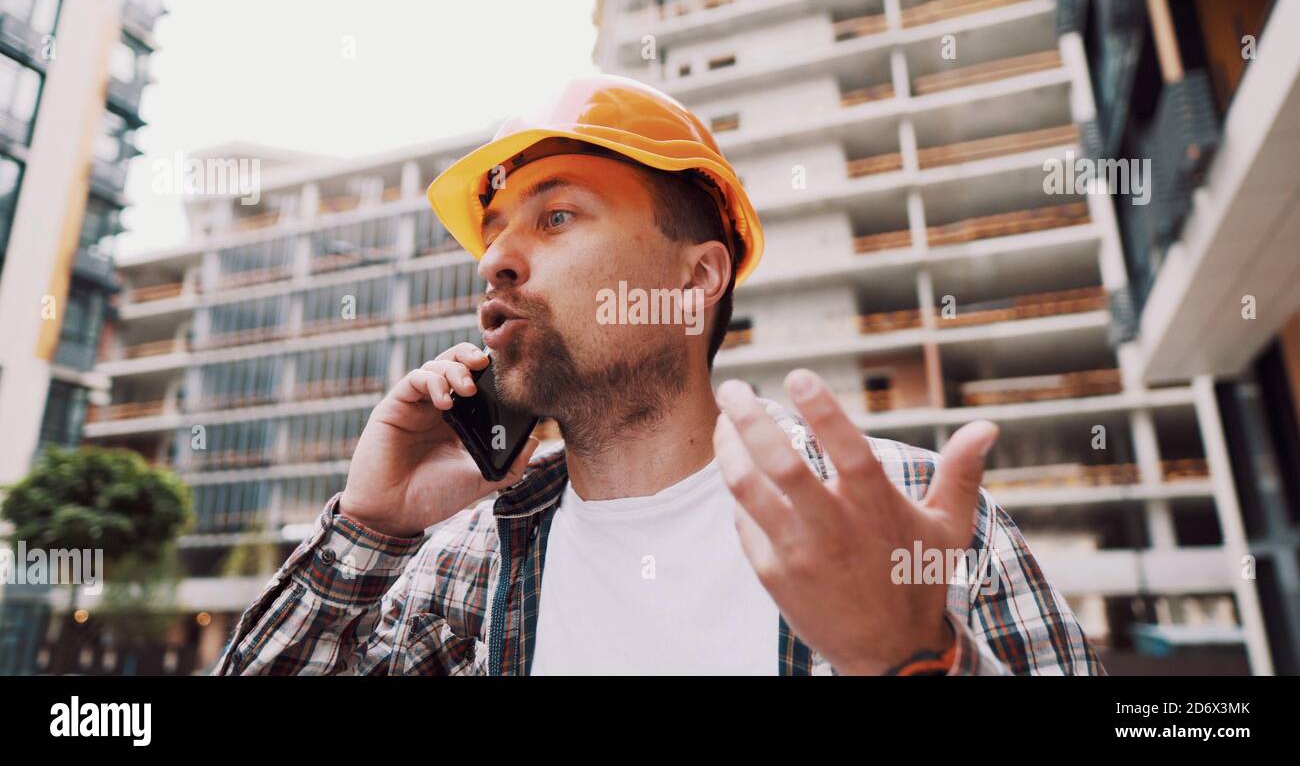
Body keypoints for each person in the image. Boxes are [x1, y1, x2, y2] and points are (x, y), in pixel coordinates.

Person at [214, 75, 1103, 676]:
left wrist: (918, 661)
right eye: (491, 239)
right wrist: (370, 529)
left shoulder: (912, 519)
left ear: (697, 277)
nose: (496, 265)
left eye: (556, 215)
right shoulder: (461, 565)